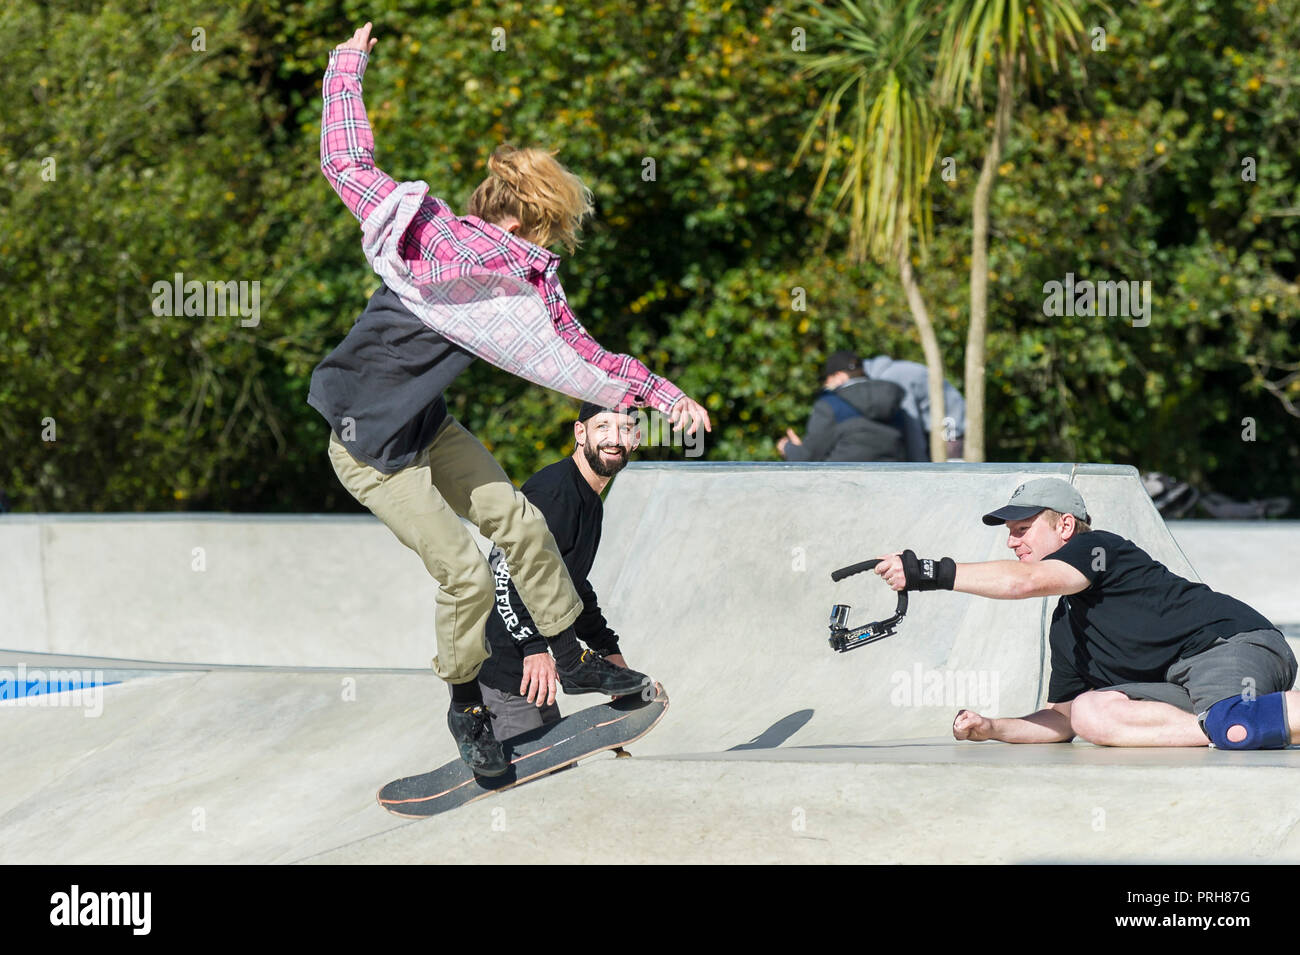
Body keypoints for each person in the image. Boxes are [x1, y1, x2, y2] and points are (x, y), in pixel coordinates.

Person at [309, 24, 710, 776]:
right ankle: (467, 711)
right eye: (543, 232)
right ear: (522, 218)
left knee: (520, 521)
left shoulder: (491, 263)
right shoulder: (463, 249)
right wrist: (344, 69)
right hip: (366, 449)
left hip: (428, 428)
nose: (539, 254)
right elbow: (347, 165)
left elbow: (347, 162)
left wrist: (344, 70)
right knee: (462, 570)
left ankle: (572, 653)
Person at [872, 477, 1298, 749]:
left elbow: (1022, 582)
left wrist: (927, 573)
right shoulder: (1067, 625)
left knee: (1236, 723)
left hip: (1229, 647)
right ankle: (1220, 727)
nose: (1012, 542)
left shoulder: (1099, 549)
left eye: (1022, 530)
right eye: (1010, 534)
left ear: (1065, 526)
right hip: (1179, 689)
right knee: (1089, 713)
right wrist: (993, 728)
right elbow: (1060, 720)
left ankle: (1230, 723)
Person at [477, 403, 647, 740]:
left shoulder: (590, 503)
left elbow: (571, 587)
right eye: (603, 427)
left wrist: (608, 651)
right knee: (530, 785)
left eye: (624, 429)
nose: (614, 439)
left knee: (556, 777)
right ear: (580, 433)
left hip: (534, 675)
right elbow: (505, 572)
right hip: (505, 672)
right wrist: (533, 646)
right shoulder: (555, 494)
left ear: (636, 439)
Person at [777, 351, 906, 462]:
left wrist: (788, 448)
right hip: (889, 483)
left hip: (843, 484)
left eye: (828, 379)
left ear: (839, 376)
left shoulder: (829, 405)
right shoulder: (891, 401)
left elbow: (807, 459)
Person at [860, 354, 966, 461]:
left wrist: (918, 465)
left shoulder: (891, 378)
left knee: (951, 468)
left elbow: (912, 425)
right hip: (936, 421)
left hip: (951, 419)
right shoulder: (888, 372)